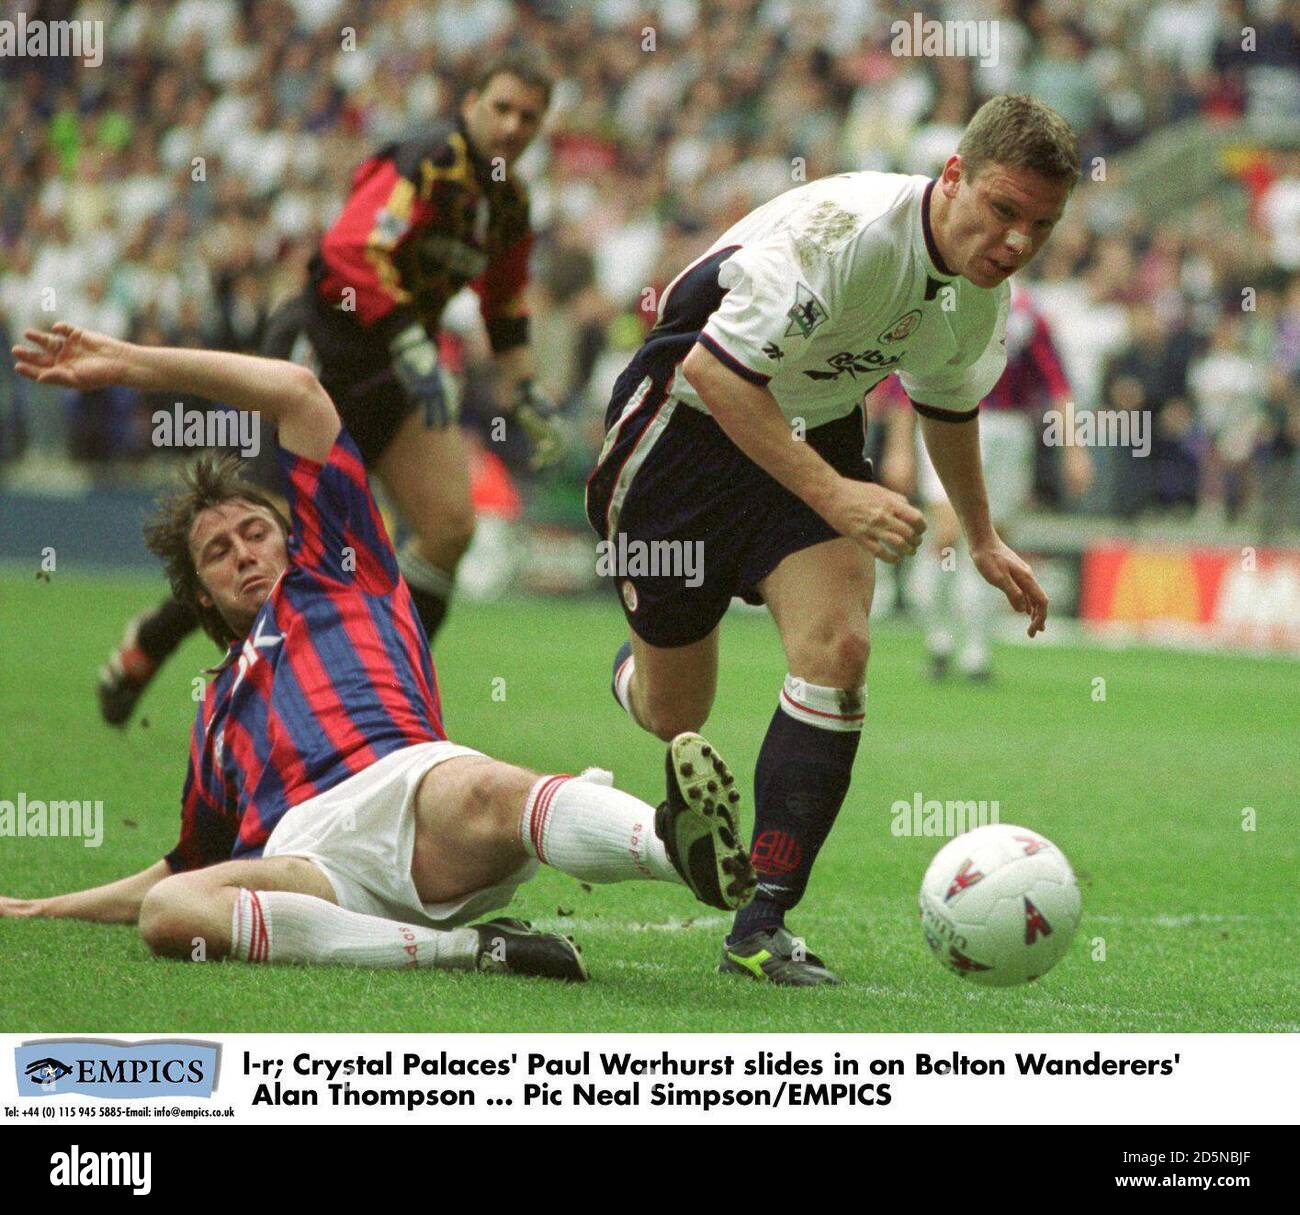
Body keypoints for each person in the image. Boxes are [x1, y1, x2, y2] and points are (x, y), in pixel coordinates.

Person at [3, 323, 755, 979]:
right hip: (312, 867)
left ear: (286, 532)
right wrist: (45, 908)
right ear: (201, 594)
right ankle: (468, 951)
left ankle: (674, 846)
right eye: (218, 552)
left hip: (410, 793)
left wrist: (131, 362)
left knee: (487, 788)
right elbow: (182, 867)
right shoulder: (215, 716)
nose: (243, 553)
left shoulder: (339, 560)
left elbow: (299, 393)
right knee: (173, 912)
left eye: (256, 531)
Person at [587, 94, 1074, 986]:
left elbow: (947, 400)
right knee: (674, 713)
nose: (1016, 242)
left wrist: (985, 537)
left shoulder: (981, 296)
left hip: (809, 434)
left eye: (1041, 226)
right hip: (681, 437)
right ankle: (628, 670)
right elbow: (713, 373)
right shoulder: (844, 233)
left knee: (841, 645)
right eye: (1004, 211)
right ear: (954, 176)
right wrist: (840, 496)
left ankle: (761, 919)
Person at [97, 48, 564, 726]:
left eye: (530, 116)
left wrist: (525, 389)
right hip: (327, 351)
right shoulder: (425, 161)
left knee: (450, 526)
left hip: (401, 372)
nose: (514, 125)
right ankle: (154, 639)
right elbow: (348, 251)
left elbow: (505, 303)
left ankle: (375, 692)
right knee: (261, 537)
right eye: (503, 107)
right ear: (470, 105)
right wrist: (408, 336)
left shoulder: (510, 205)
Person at [879, 280, 1092, 681]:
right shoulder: (949, 294)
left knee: (994, 538)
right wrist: (899, 446)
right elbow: (910, 372)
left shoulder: (1028, 310)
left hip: (1009, 430)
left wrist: (1074, 448)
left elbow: (1057, 384)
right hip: (947, 418)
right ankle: (939, 637)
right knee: (945, 533)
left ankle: (977, 650)